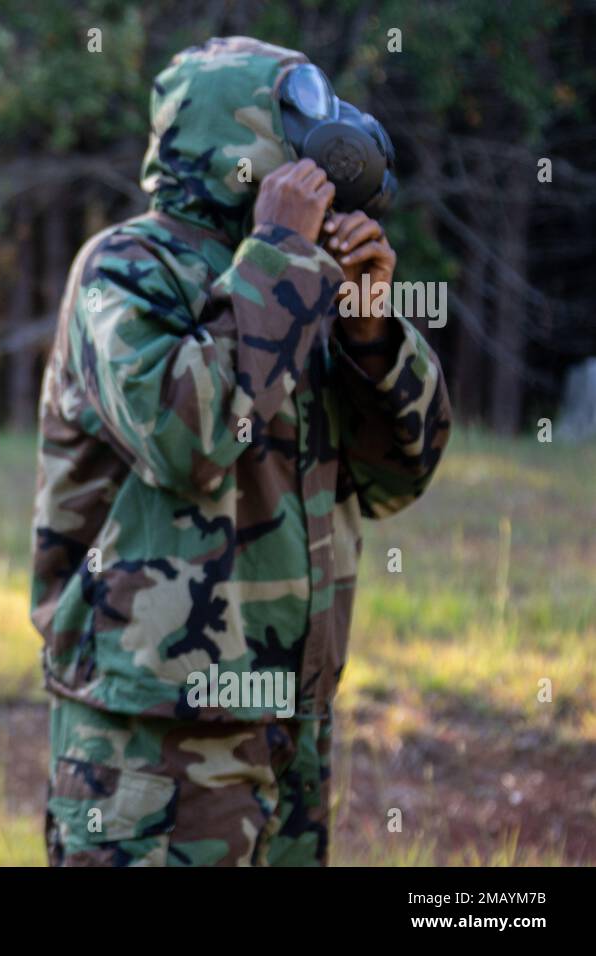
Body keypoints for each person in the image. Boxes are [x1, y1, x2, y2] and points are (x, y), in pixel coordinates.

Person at [32, 36, 451, 866]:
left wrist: (371, 330)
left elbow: (399, 476)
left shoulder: (303, 275)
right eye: (293, 121)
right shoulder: (124, 267)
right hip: (153, 727)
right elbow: (188, 439)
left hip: (290, 714)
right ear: (236, 145)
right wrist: (285, 262)